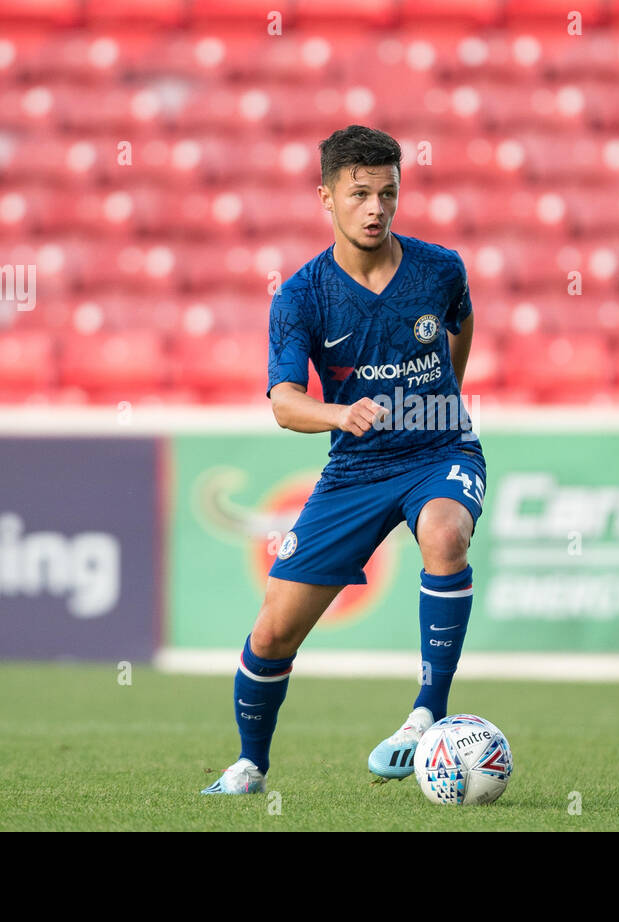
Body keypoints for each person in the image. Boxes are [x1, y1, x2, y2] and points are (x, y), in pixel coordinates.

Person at [202, 124, 485, 794]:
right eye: (359, 194)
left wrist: (447, 398)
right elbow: (283, 402)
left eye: (387, 193)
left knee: (446, 534)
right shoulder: (300, 295)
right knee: (272, 632)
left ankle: (427, 714)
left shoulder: (439, 268)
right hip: (355, 469)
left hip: (440, 450)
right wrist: (339, 414)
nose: (376, 208)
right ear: (326, 197)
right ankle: (250, 764)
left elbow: (461, 322)